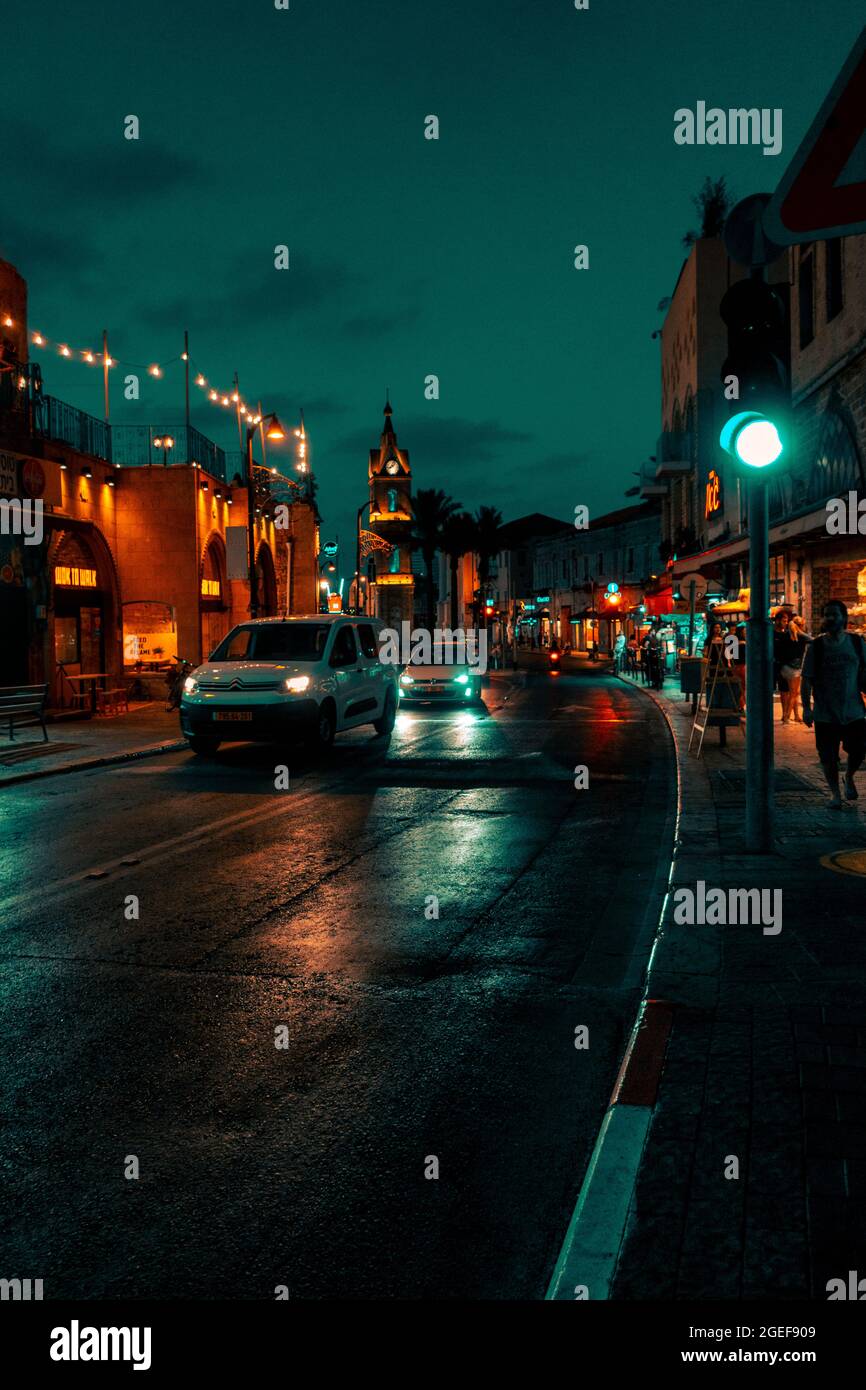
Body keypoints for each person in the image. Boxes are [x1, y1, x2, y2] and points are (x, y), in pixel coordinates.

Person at [801, 599, 866, 809]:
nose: (830, 618)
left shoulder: (857, 643)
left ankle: (849, 776)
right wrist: (807, 708)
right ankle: (835, 794)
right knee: (827, 756)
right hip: (825, 713)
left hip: (854, 710)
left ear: (844, 618)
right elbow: (807, 679)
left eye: (834, 615)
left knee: (858, 750)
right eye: (827, 615)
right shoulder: (816, 647)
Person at [777, 615, 809, 722]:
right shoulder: (801, 635)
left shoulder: (785, 635)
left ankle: (796, 716)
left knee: (791, 692)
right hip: (794, 669)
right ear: (800, 625)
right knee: (794, 694)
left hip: (784, 668)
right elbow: (813, 640)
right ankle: (786, 717)